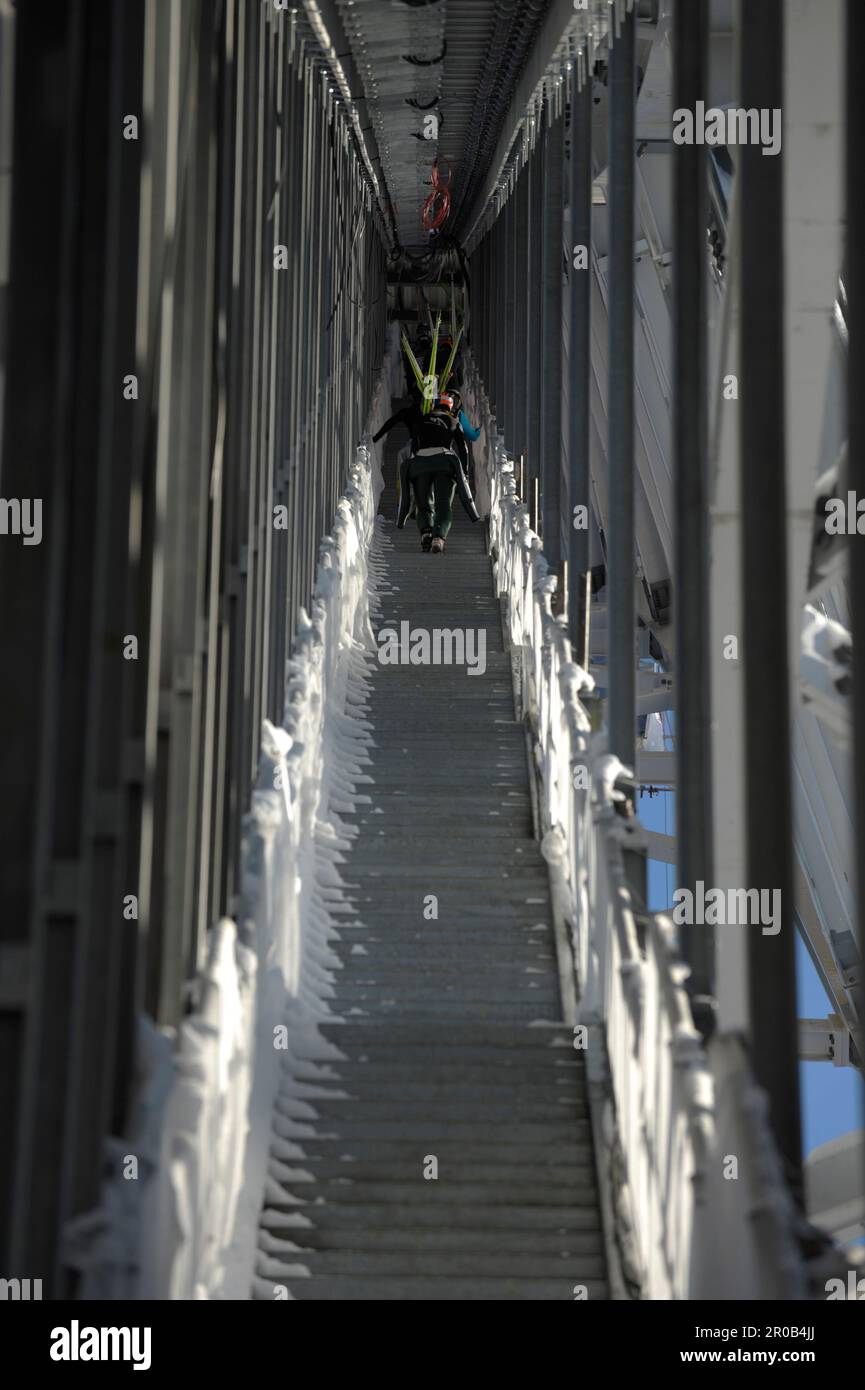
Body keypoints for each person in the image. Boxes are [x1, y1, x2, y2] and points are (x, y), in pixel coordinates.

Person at [396, 392, 479, 553]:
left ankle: (426, 532)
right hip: (444, 462)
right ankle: (438, 537)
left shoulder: (422, 419)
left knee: (423, 503)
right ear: (451, 407)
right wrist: (465, 472)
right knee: (443, 504)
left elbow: (415, 445)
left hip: (419, 463)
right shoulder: (454, 420)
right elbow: (463, 448)